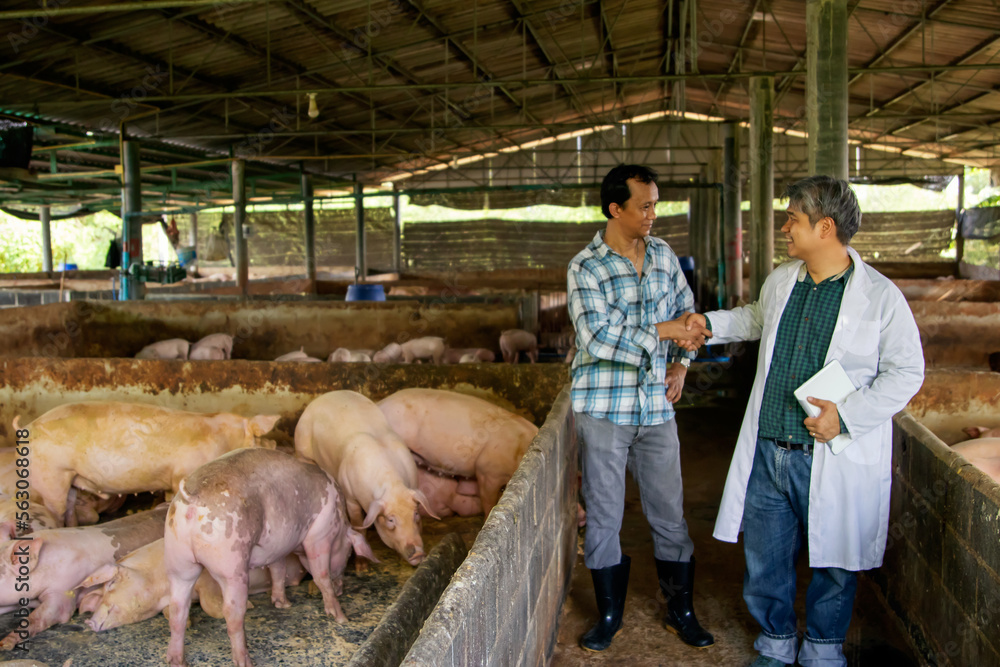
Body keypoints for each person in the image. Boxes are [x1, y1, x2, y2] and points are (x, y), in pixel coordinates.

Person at [683, 175, 924, 667]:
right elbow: (754, 319)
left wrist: (848, 416)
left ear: (825, 227)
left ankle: (822, 649)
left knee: (834, 562)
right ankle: (774, 643)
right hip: (771, 444)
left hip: (829, 451)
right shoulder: (781, 280)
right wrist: (707, 325)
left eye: (792, 218)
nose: (785, 228)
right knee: (765, 559)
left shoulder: (880, 297)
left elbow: (907, 372)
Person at [567, 164, 714, 653]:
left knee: (670, 514)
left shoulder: (664, 255)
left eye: (655, 204)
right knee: (606, 516)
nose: (654, 214)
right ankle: (609, 616)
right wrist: (666, 333)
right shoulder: (585, 267)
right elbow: (598, 337)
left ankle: (681, 611)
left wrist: (682, 366)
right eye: (645, 205)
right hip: (603, 408)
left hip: (655, 407)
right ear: (616, 209)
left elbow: (687, 311)